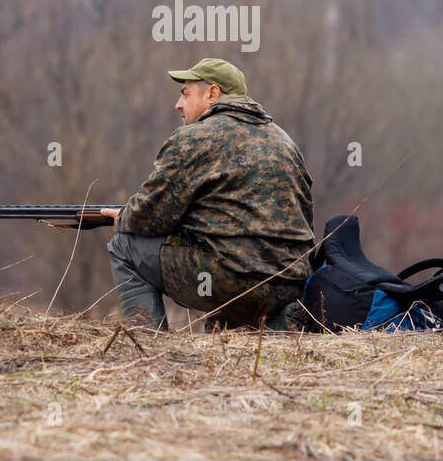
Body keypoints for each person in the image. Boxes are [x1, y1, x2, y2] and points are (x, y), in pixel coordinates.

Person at [101, 58, 314, 331]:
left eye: (185, 93)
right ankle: (275, 332)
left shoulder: (193, 138)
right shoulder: (286, 142)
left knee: (125, 245)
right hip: (290, 287)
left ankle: (145, 346)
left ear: (212, 94)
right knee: (226, 264)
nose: (178, 104)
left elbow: (149, 216)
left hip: (230, 281)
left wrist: (124, 217)